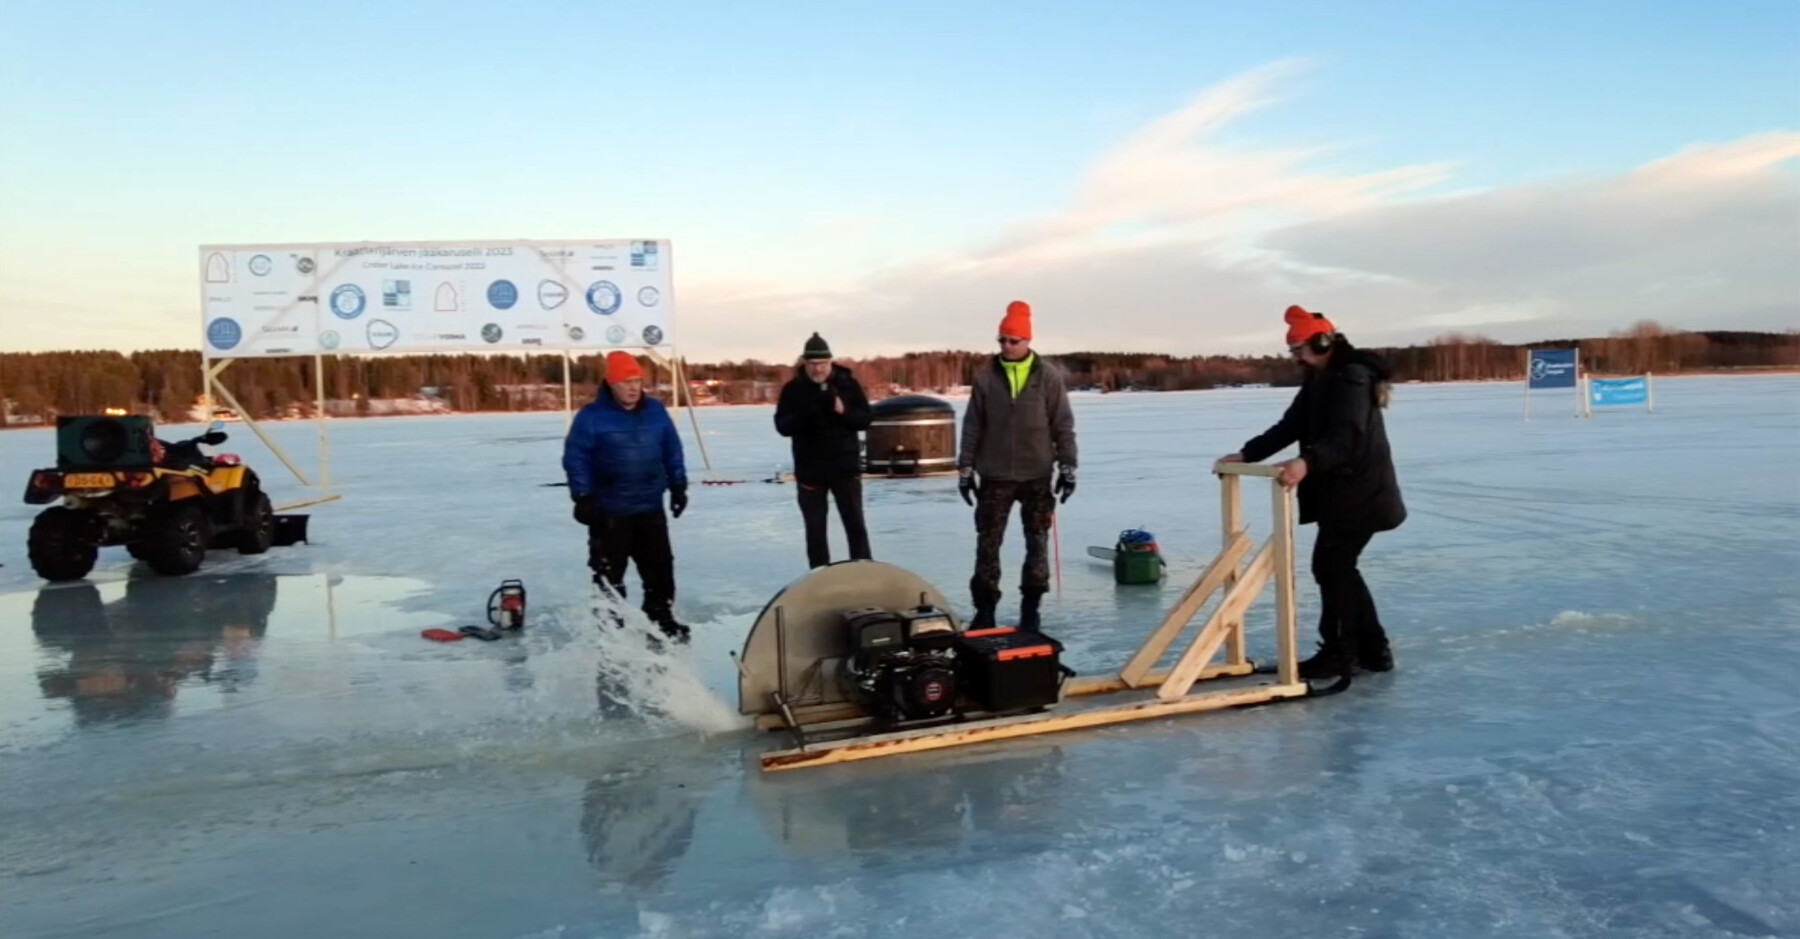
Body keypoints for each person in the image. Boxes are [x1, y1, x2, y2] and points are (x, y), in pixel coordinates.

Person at [1220, 305, 1406, 678]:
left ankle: (1342, 652)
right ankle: (1371, 649)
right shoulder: (1321, 378)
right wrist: (1248, 452)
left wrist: (1306, 462)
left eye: (1300, 349)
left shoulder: (1351, 378)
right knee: (1339, 568)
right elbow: (1291, 424)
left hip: (1362, 494)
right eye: (1293, 352)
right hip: (1344, 495)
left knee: (1332, 566)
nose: (1298, 358)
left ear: (1323, 341)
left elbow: (1347, 436)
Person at [957, 300, 1078, 631]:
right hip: (995, 476)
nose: (1007, 346)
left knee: (1037, 542)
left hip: (1037, 474)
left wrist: (1068, 466)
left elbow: (1062, 425)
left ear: (1027, 341)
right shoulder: (986, 377)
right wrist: (965, 468)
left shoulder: (1048, 377)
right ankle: (984, 609)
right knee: (988, 544)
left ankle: (1031, 607)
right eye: (1002, 340)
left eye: (1013, 340)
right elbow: (972, 426)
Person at [562, 350, 691, 642]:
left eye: (637, 380)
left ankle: (661, 620)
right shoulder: (591, 417)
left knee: (660, 572)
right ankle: (611, 631)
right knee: (609, 577)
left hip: (649, 508)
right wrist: (582, 496)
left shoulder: (656, 412)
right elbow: (576, 458)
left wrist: (679, 485)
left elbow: (672, 449)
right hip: (609, 514)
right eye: (625, 382)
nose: (633, 387)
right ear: (611, 383)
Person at [774, 332, 875, 568]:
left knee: (855, 526)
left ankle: (864, 572)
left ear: (830, 362)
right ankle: (819, 575)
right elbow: (782, 426)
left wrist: (844, 410)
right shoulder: (794, 389)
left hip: (844, 469)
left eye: (822, 364)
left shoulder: (847, 384)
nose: (817, 369)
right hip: (810, 471)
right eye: (812, 364)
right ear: (805, 364)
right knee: (815, 531)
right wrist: (808, 412)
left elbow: (866, 419)